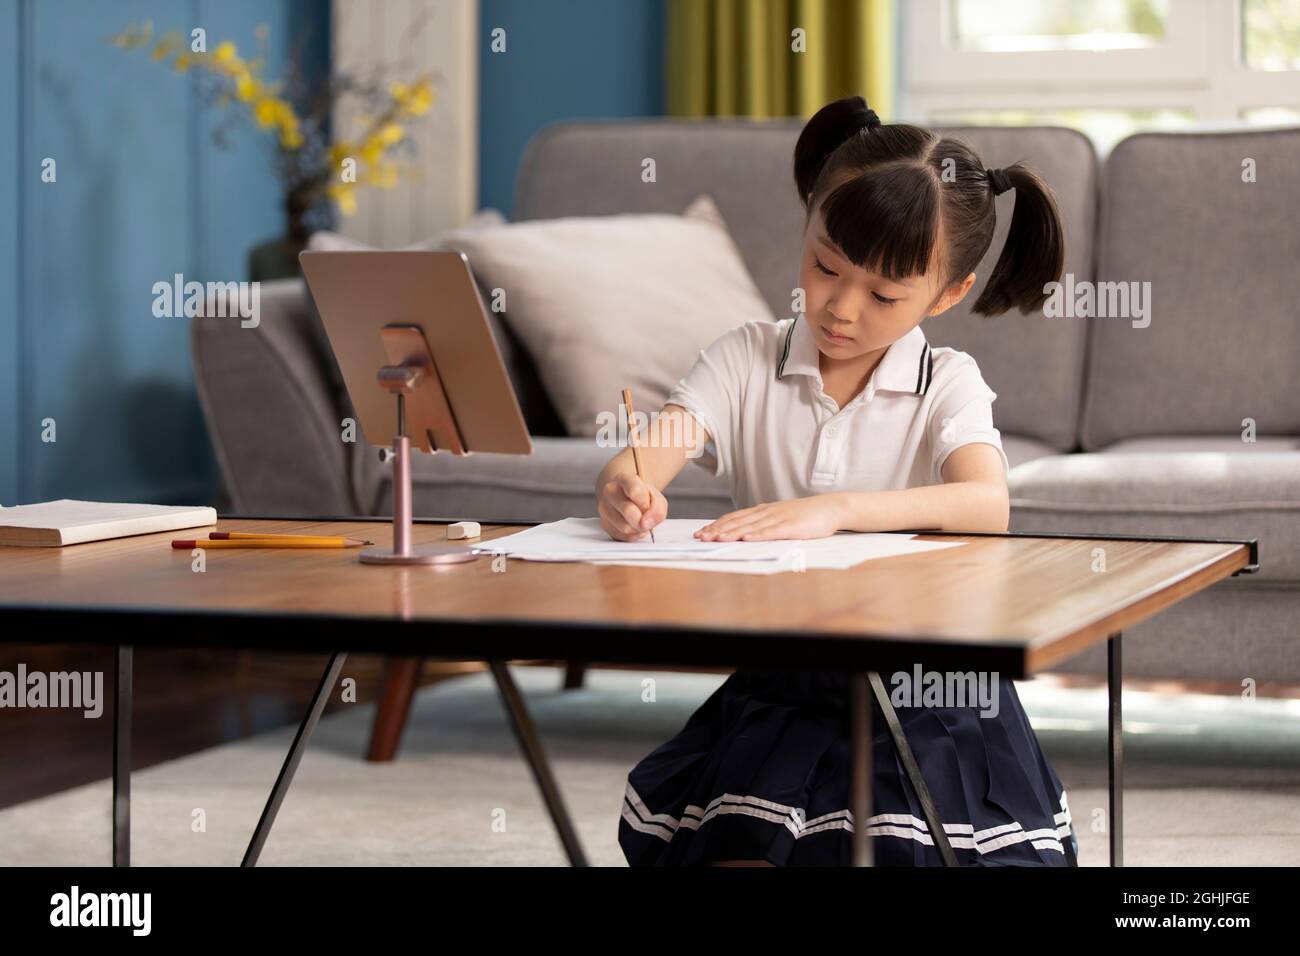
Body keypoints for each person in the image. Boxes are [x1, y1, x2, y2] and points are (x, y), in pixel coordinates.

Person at [595, 95, 1079, 866]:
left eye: (885, 295)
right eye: (825, 266)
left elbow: (988, 504)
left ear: (948, 294)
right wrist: (624, 485)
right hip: (785, 681)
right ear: (808, 222)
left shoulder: (943, 382)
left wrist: (837, 512)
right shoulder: (744, 358)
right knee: (742, 845)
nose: (841, 308)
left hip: (928, 691)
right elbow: (647, 456)